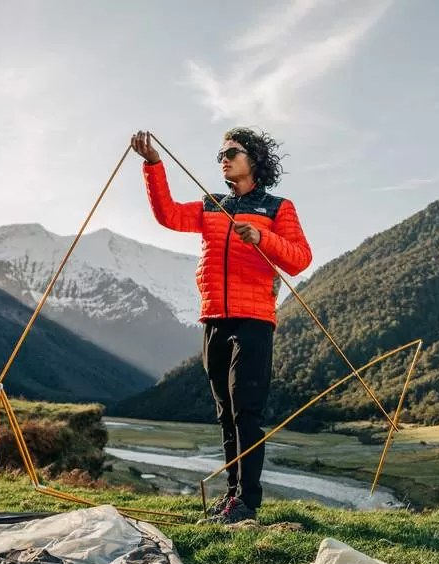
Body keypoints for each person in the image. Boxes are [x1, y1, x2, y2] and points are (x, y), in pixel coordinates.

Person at [130, 128, 312, 523]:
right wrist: (153, 164)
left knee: (246, 411)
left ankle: (247, 502)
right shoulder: (212, 205)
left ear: (254, 160)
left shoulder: (277, 208)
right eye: (220, 155)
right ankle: (233, 498)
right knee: (225, 412)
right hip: (214, 318)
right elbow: (168, 215)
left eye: (232, 152)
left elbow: (299, 259)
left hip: (254, 320)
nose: (223, 160)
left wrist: (262, 237)